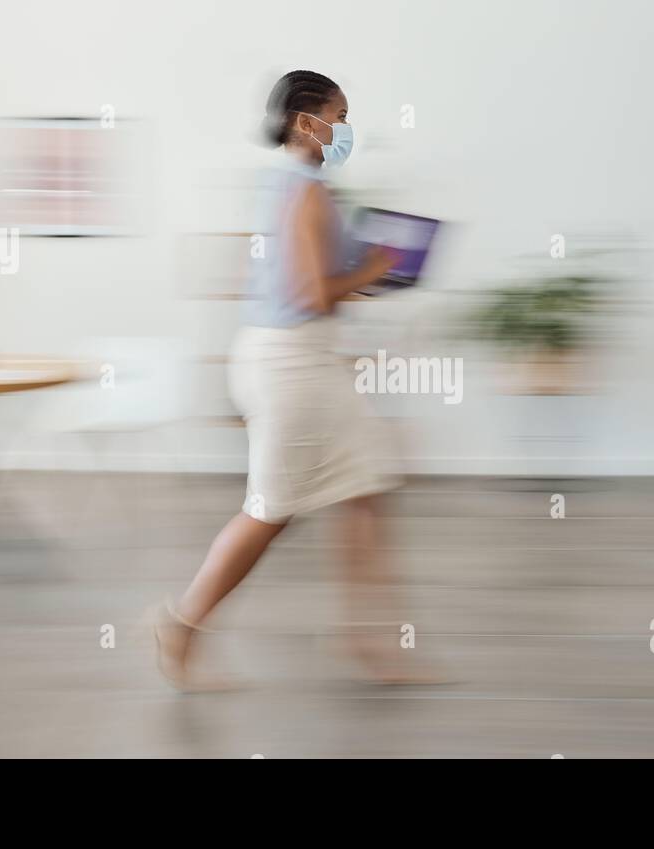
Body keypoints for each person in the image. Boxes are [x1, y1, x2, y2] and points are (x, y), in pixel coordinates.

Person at [153, 70, 436, 690]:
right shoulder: (304, 192)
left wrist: (366, 270)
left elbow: (301, 285)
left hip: (300, 361)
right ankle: (182, 623)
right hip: (289, 368)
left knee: (367, 480)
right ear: (306, 120)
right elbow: (309, 294)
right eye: (338, 114)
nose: (344, 128)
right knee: (269, 511)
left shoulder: (291, 186)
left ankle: (366, 641)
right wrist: (378, 266)